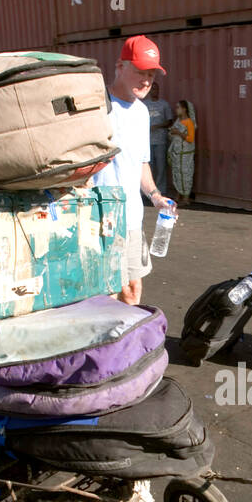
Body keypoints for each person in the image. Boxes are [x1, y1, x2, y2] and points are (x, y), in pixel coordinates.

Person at [92, 35, 174, 306]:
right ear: (119, 67)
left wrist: (155, 196)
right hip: (98, 221)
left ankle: (130, 348)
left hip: (131, 219)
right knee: (104, 295)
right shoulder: (95, 106)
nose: (146, 81)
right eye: (140, 72)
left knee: (132, 291)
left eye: (151, 74)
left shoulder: (141, 112)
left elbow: (140, 162)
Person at [144, 84, 174, 196]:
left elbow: (169, 121)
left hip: (161, 140)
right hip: (147, 141)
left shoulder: (164, 105)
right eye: (152, 89)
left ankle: (161, 190)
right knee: (148, 167)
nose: (154, 91)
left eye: (156, 89)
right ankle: (148, 192)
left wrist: (157, 126)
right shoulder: (144, 104)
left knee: (161, 166)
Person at [167, 100, 196, 205]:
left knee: (185, 174)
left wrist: (178, 133)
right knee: (177, 173)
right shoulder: (178, 121)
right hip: (177, 153)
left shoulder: (189, 122)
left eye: (178, 107)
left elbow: (190, 138)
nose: (176, 110)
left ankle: (186, 197)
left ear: (184, 109)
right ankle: (178, 193)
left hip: (185, 154)